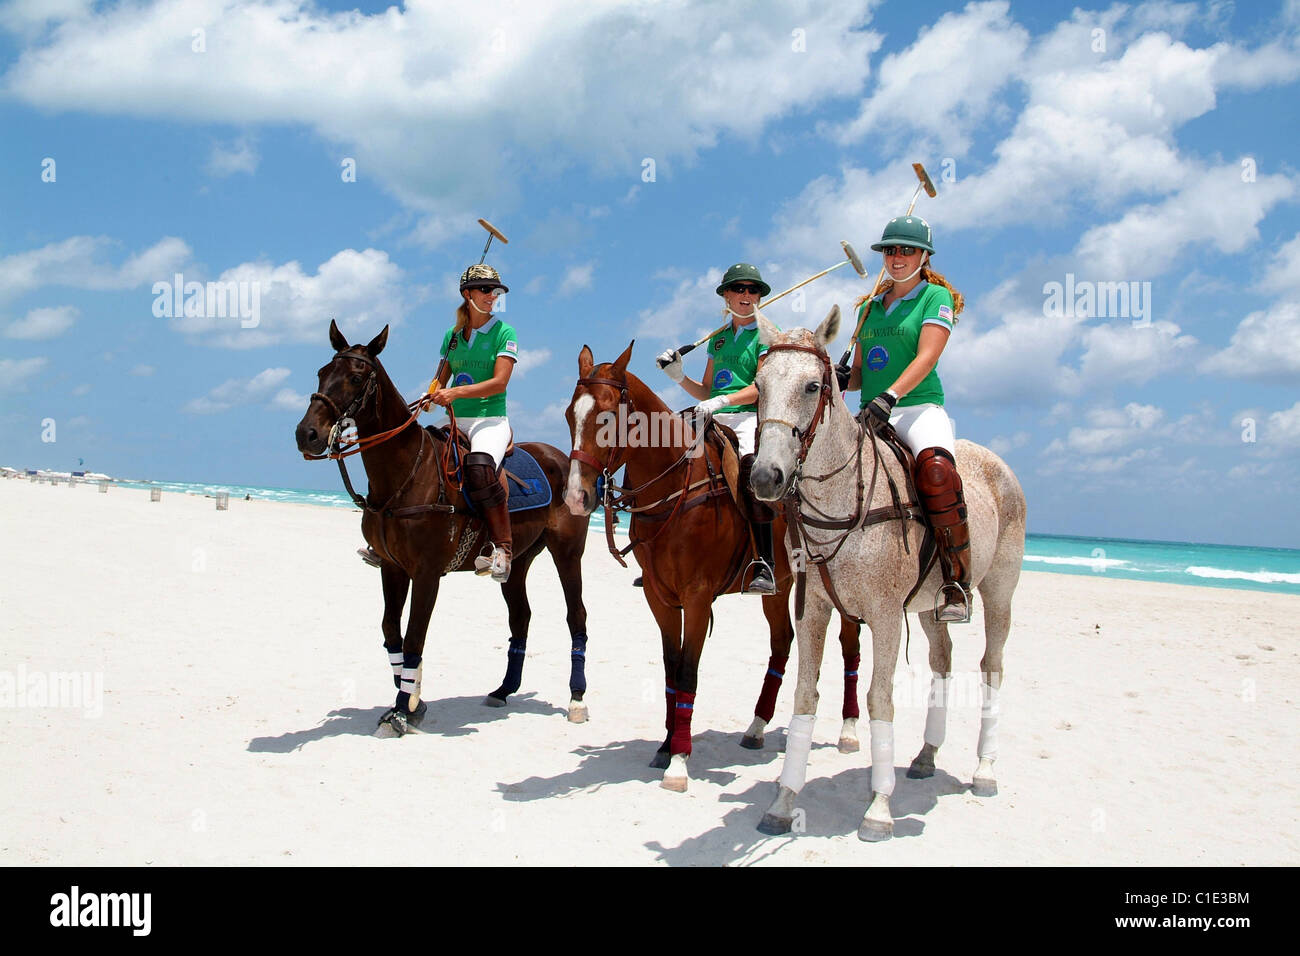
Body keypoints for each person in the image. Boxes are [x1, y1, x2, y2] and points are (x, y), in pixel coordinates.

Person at [840, 215, 971, 623]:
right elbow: (860, 371)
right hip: (871, 411)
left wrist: (891, 396)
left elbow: (927, 355)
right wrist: (842, 377)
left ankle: (955, 580)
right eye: (890, 250)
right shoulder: (866, 308)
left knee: (936, 472)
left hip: (916, 409)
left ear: (924, 256)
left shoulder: (935, 298)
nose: (897, 257)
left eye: (906, 250)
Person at [357, 263, 518, 581]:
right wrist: (431, 394)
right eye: (486, 289)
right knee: (416, 462)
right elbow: (439, 378)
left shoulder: (505, 333)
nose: (492, 296)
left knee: (481, 467)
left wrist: (455, 391)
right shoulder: (453, 336)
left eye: (495, 291)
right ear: (467, 294)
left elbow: (500, 382)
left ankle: (502, 548)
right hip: (456, 421)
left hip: (490, 421)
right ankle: (385, 540)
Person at [656, 263, 777, 595]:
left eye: (753, 290)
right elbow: (707, 391)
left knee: (754, 473)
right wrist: (679, 377)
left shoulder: (768, 334)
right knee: (672, 460)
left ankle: (764, 562)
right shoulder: (719, 340)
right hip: (716, 415)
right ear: (726, 295)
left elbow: (762, 386)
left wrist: (723, 402)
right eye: (739, 289)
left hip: (750, 416)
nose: (746, 295)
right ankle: (663, 552)